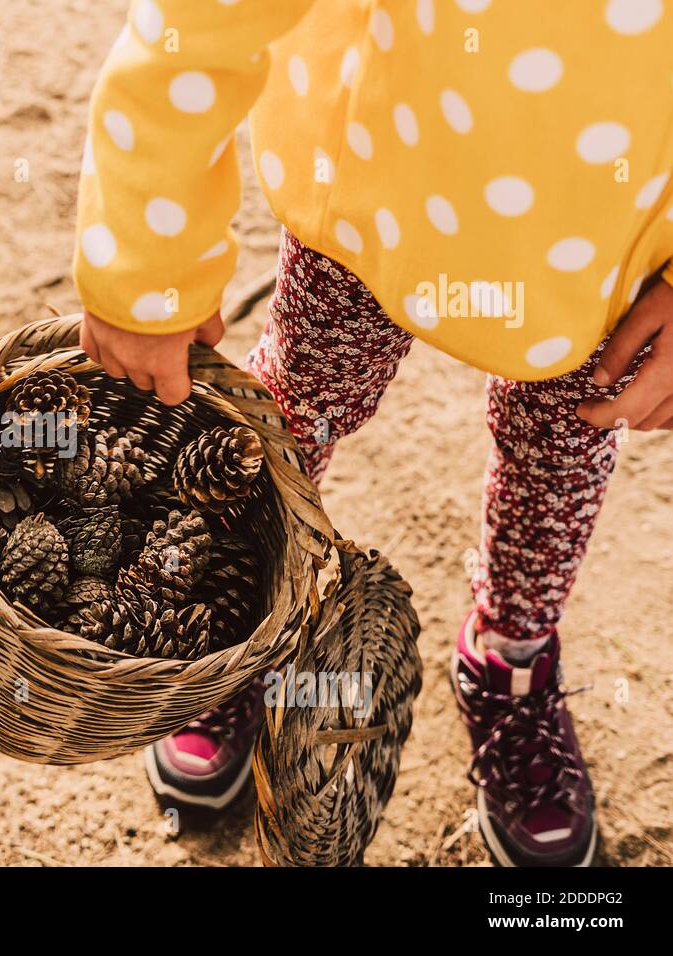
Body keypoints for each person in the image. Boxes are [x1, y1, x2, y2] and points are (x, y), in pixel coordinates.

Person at [73, 0, 673, 867]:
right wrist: (143, 265)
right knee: (298, 404)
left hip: (612, 229)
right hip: (376, 168)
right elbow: (199, 21)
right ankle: (243, 613)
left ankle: (509, 659)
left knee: (564, 449)